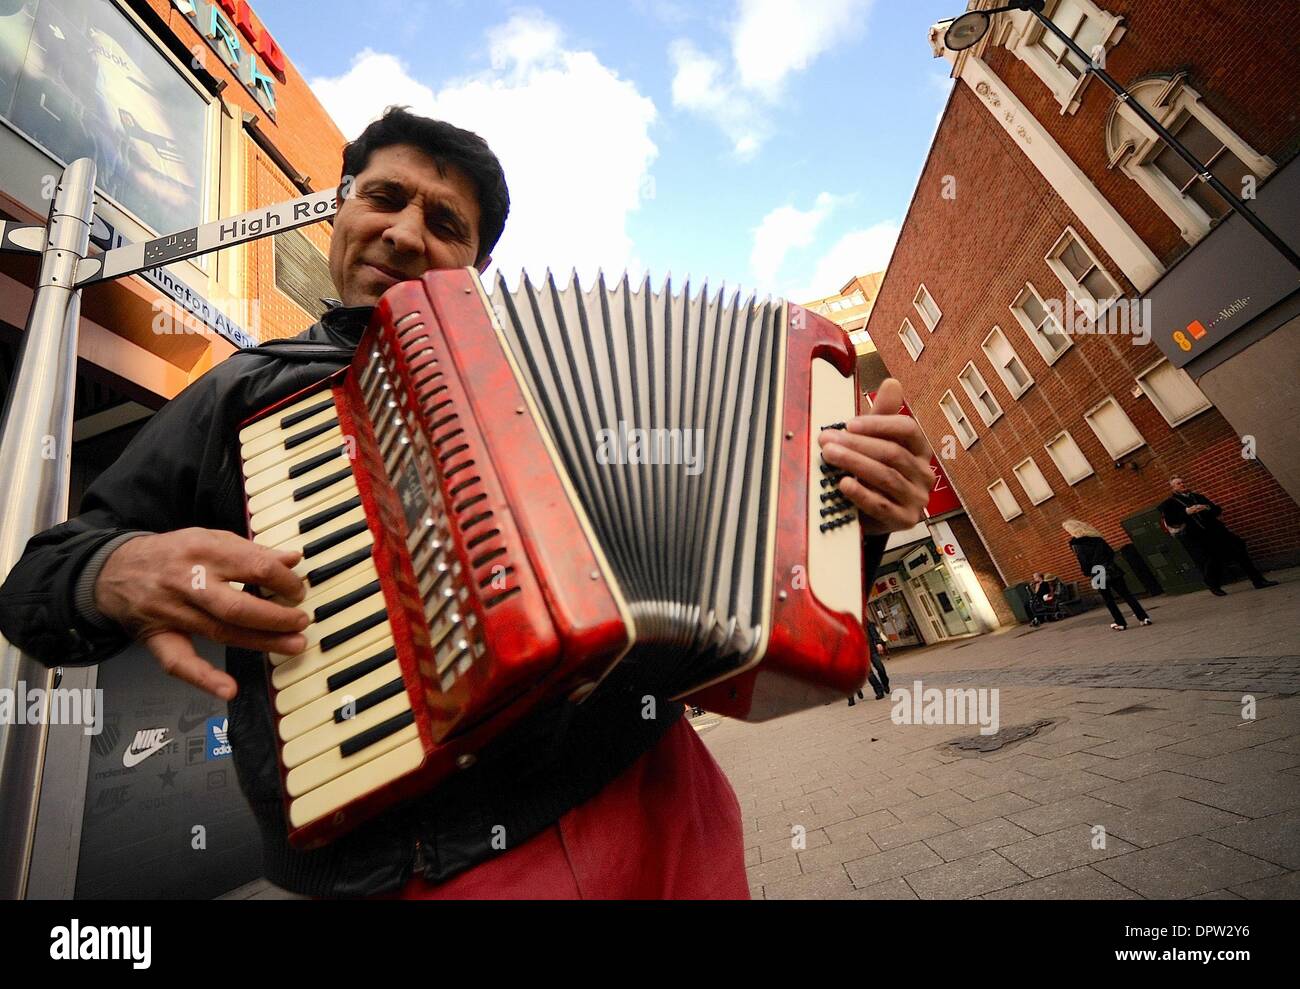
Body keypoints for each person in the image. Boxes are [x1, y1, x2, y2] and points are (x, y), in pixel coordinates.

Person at [0, 107, 936, 899]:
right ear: (339, 211)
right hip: (419, 872)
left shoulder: (562, 371)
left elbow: (751, 588)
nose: (407, 233)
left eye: (445, 223)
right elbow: (35, 582)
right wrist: (112, 570)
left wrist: (855, 512)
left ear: (472, 265)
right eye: (385, 197)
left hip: (657, 802)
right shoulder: (250, 394)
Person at [1159, 477, 1278, 596]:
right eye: (1178, 484)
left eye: (1183, 482)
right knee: (1213, 560)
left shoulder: (1197, 497)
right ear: (1173, 488)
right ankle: (1213, 585)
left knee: (1239, 550)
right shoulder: (1170, 503)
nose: (1182, 485)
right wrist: (1187, 512)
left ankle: (1258, 581)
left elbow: (1217, 510)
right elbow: (1170, 521)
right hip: (1199, 535)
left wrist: (1207, 507)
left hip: (1217, 531)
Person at [1063, 520, 1152, 631]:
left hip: (1097, 572)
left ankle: (1120, 623)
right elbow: (1110, 553)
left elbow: (1084, 562)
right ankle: (1143, 618)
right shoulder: (1098, 539)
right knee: (1127, 595)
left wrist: (1088, 572)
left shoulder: (1077, 544)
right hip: (1111, 568)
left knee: (1109, 599)